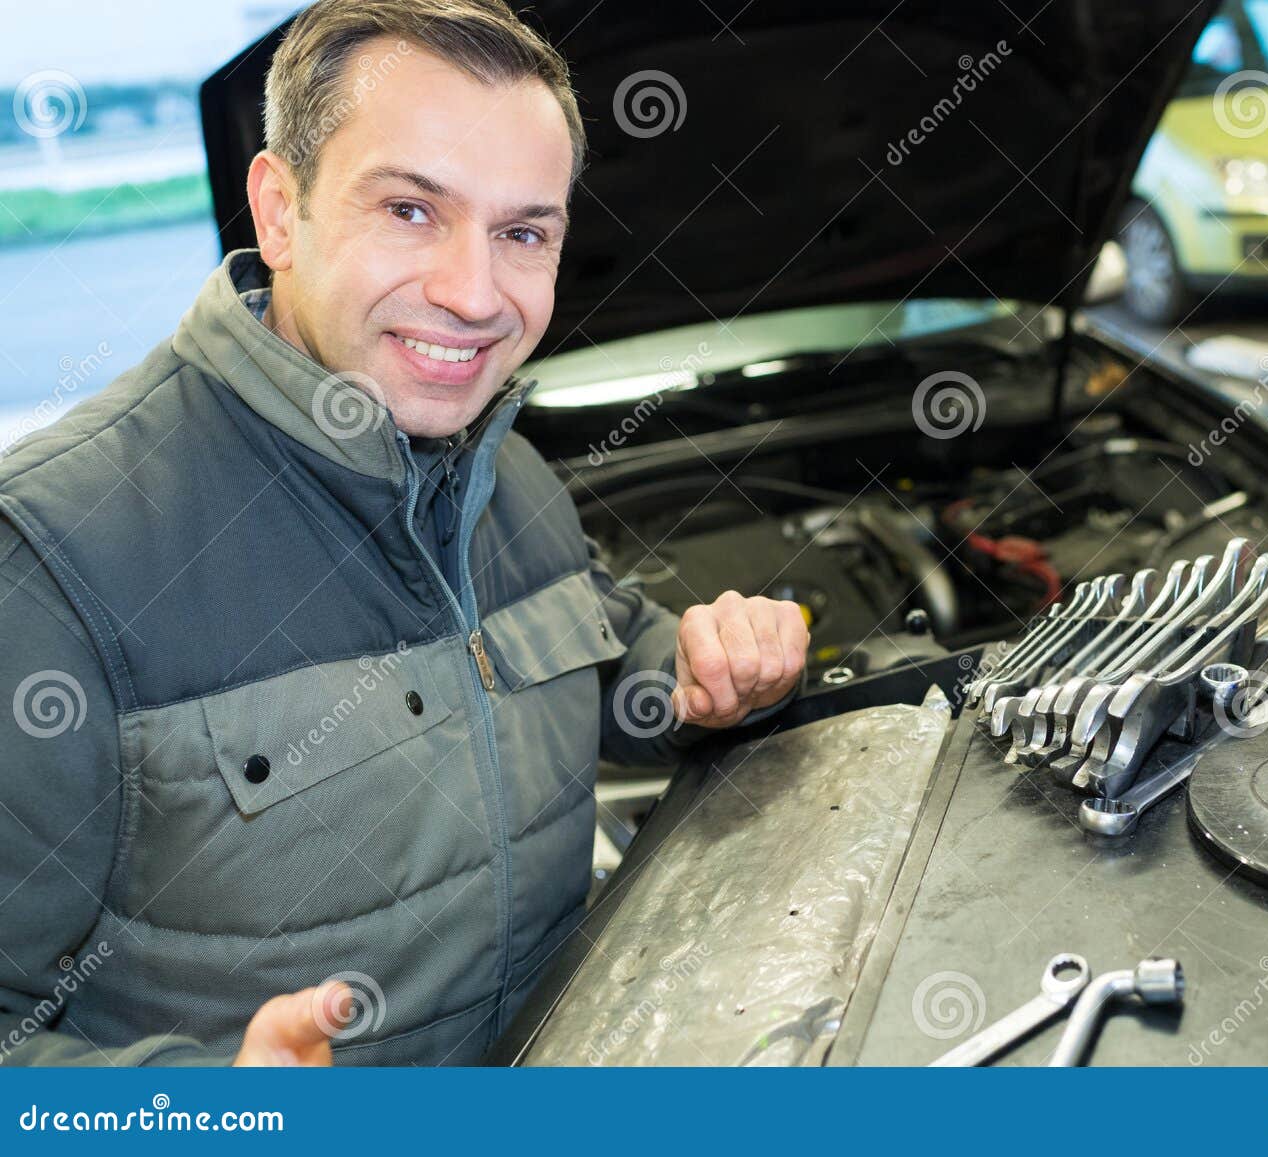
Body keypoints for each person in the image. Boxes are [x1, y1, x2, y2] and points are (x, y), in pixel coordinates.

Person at [0, 0, 807, 1067]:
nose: (473, 294)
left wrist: (706, 673)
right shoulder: (52, 559)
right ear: (280, 211)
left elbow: (599, 655)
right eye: (411, 212)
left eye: (522, 232)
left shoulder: (497, 464)